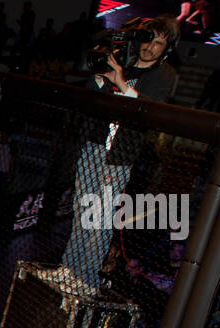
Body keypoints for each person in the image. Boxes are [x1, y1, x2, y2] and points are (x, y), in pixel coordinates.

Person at [59, 15, 179, 292]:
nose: (150, 47)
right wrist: (103, 78)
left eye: (159, 43)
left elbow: (150, 111)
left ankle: (85, 281)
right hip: (95, 143)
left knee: (99, 221)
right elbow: (93, 95)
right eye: (148, 39)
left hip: (121, 154)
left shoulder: (164, 75)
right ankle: (68, 271)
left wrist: (122, 83)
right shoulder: (122, 57)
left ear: (167, 48)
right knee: (81, 213)